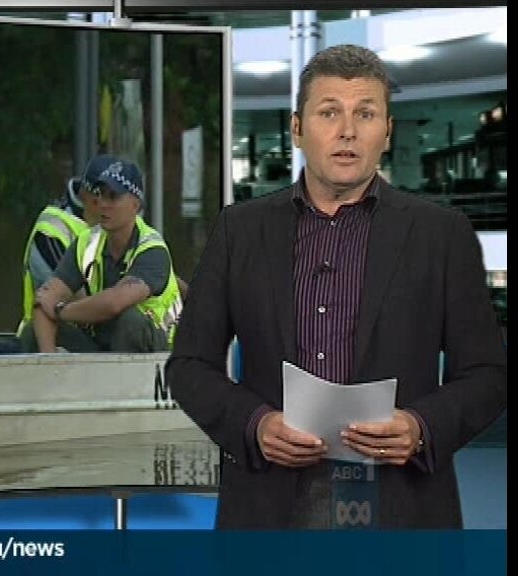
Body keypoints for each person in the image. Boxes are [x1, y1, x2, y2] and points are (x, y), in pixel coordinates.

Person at [167, 45, 507, 528]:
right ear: (298, 129)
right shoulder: (239, 230)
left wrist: (421, 427)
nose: (347, 130)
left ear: (386, 132)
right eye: (329, 112)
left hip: (401, 508)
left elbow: (488, 374)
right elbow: (190, 365)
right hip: (268, 507)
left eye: (365, 113)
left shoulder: (442, 235)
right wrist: (255, 424)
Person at [22, 159, 183, 353]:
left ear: (135, 204)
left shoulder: (152, 250)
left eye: (113, 197)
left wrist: (60, 311)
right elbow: (43, 301)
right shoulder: (86, 242)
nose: (103, 205)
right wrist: (49, 361)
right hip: (105, 344)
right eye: (100, 195)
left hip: (161, 356)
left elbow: (114, 303)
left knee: (130, 320)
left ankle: (124, 384)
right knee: (33, 329)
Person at [18, 153, 117, 334]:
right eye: (111, 198)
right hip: (57, 340)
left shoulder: (116, 222)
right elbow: (68, 298)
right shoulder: (51, 230)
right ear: (93, 199)